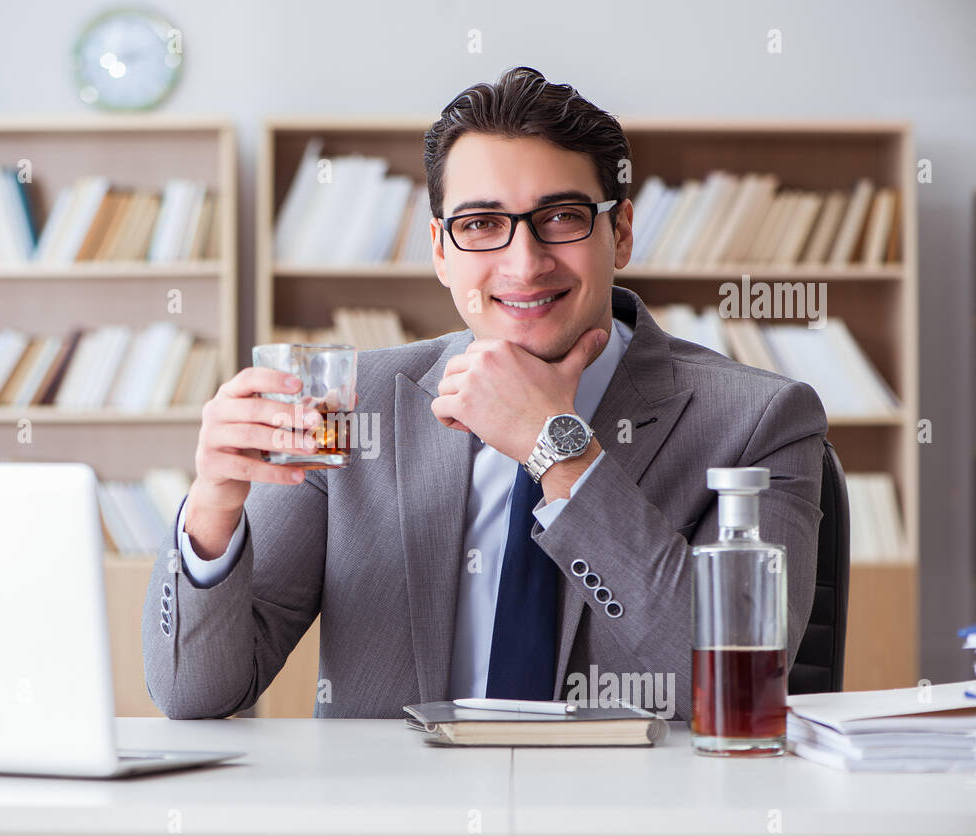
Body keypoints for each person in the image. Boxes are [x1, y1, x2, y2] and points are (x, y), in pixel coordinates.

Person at [142, 65, 827, 721]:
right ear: (441, 250)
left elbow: (731, 689)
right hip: (402, 832)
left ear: (619, 232)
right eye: (480, 224)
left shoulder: (760, 419)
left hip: (625, 830)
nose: (524, 263)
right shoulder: (359, 408)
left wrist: (557, 450)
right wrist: (213, 505)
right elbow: (195, 691)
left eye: (560, 216)